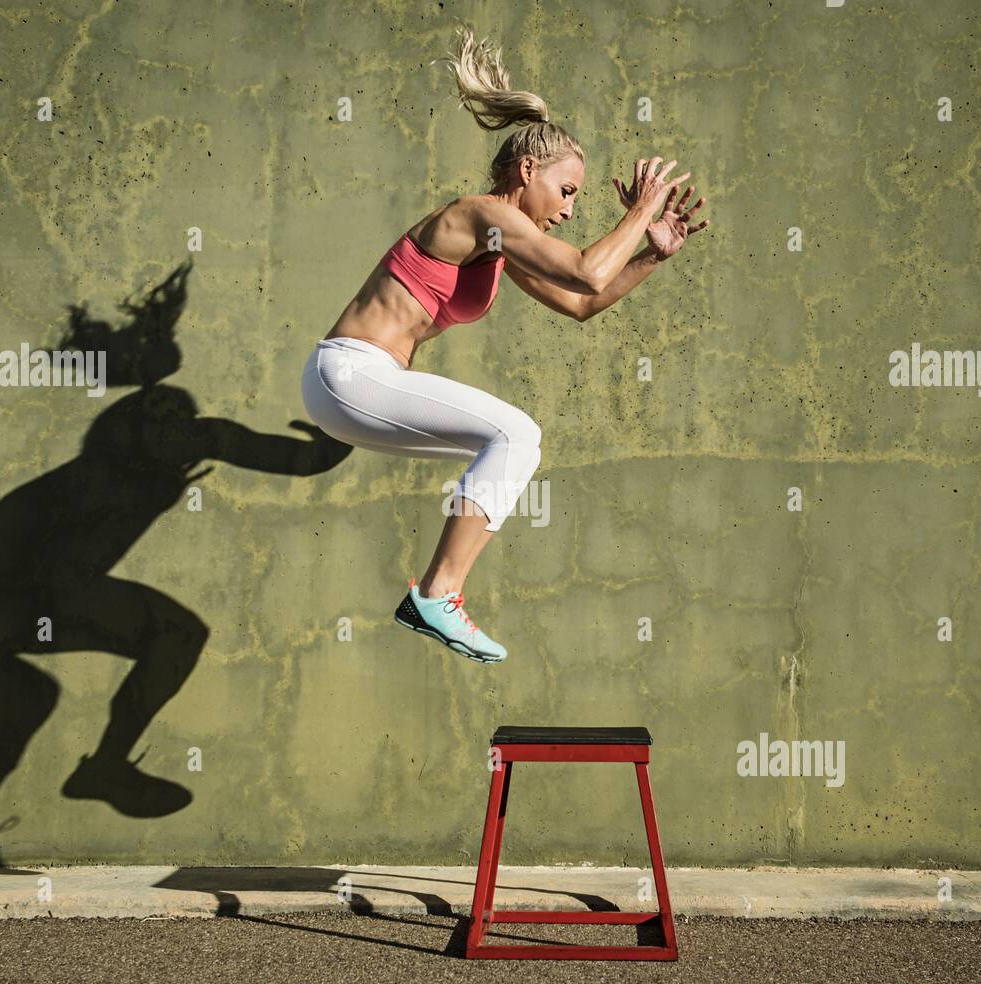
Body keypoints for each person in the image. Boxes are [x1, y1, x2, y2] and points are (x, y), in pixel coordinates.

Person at [301, 23, 708, 664]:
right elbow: (583, 268)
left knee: (514, 443)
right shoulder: (480, 216)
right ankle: (438, 596)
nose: (572, 210)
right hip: (349, 374)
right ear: (527, 171)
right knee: (515, 434)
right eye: (567, 191)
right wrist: (638, 212)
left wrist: (650, 254)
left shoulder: (501, 244)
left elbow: (583, 302)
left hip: (354, 395)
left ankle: (439, 597)